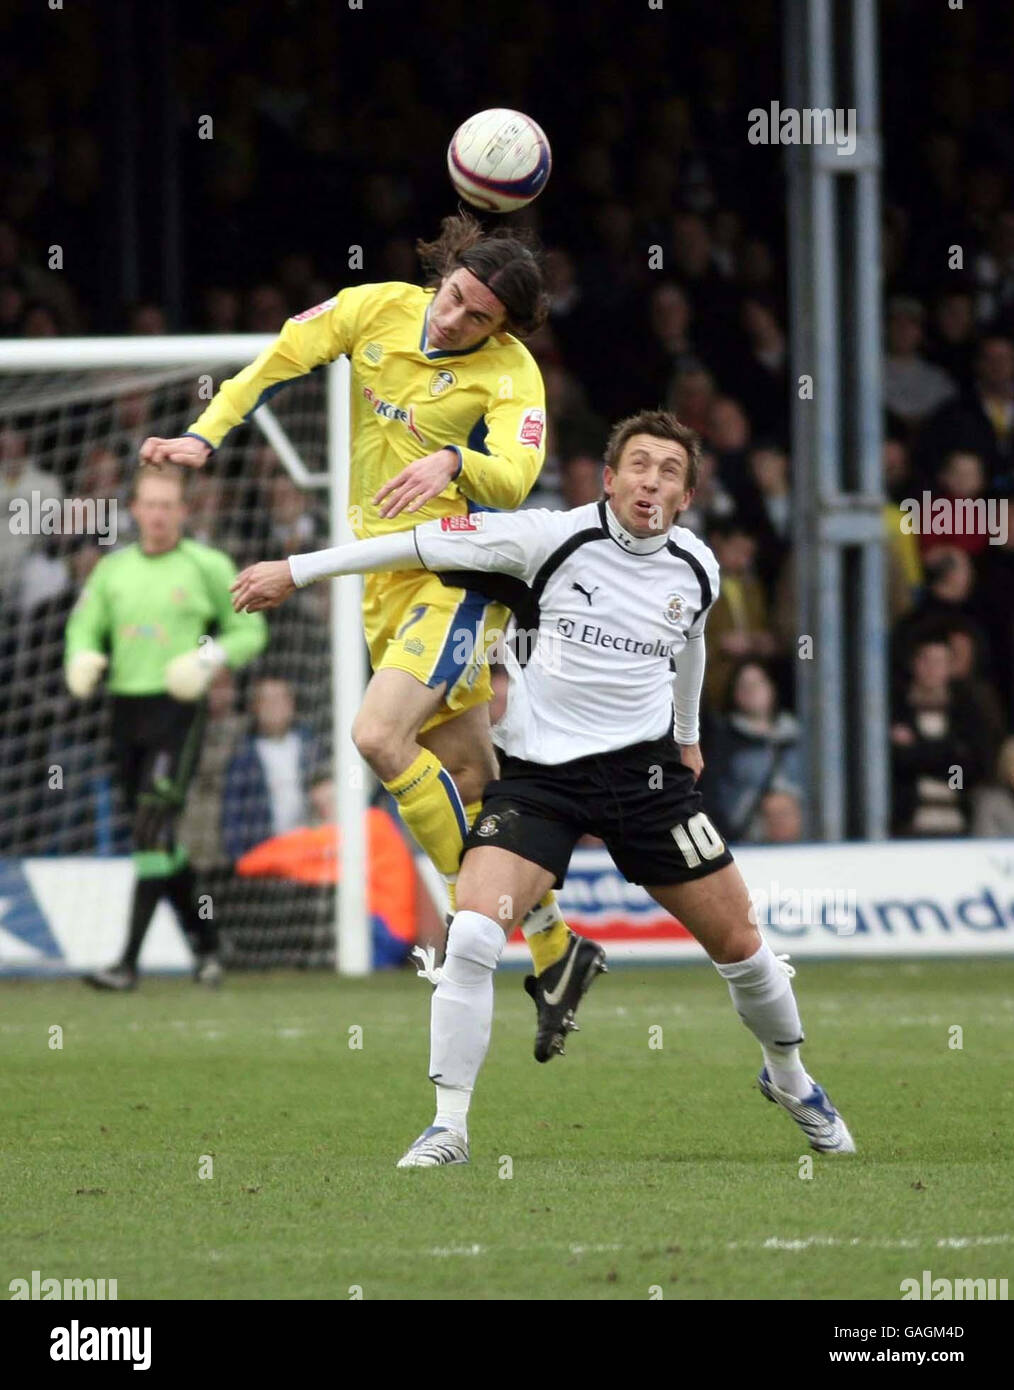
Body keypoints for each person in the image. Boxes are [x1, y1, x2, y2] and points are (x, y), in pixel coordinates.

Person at [231, 408, 855, 1166]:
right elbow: (417, 542)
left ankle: (789, 1077)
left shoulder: (697, 566)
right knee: (470, 935)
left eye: (668, 472)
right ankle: (448, 1127)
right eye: (639, 465)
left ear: (686, 495)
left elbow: (690, 648)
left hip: (647, 781)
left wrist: (688, 736)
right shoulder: (546, 537)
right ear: (608, 476)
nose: (650, 482)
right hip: (540, 785)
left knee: (743, 947)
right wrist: (292, 572)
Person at [138, 212, 585, 1028]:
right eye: (453, 297)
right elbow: (278, 357)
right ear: (443, 272)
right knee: (476, 783)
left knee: (380, 738)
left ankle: (470, 918)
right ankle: (558, 948)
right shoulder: (375, 308)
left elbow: (517, 478)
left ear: (505, 327)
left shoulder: (512, 372)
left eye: (478, 317)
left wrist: (454, 459)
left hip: (457, 575)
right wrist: (205, 436)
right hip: (384, 581)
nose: (453, 319)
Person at [64, 466, 268, 988]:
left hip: (177, 713)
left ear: (183, 511)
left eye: (167, 505)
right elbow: (83, 625)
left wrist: (209, 658)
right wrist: (82, 655)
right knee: (159, 841)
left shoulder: (207, 565)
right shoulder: (112, 571)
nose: (157, 514)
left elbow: (250, 627)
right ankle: (208, 945)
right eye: (149, 504)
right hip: (124, 712)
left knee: (151, 828)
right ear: (135, 509)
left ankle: (126, 964)